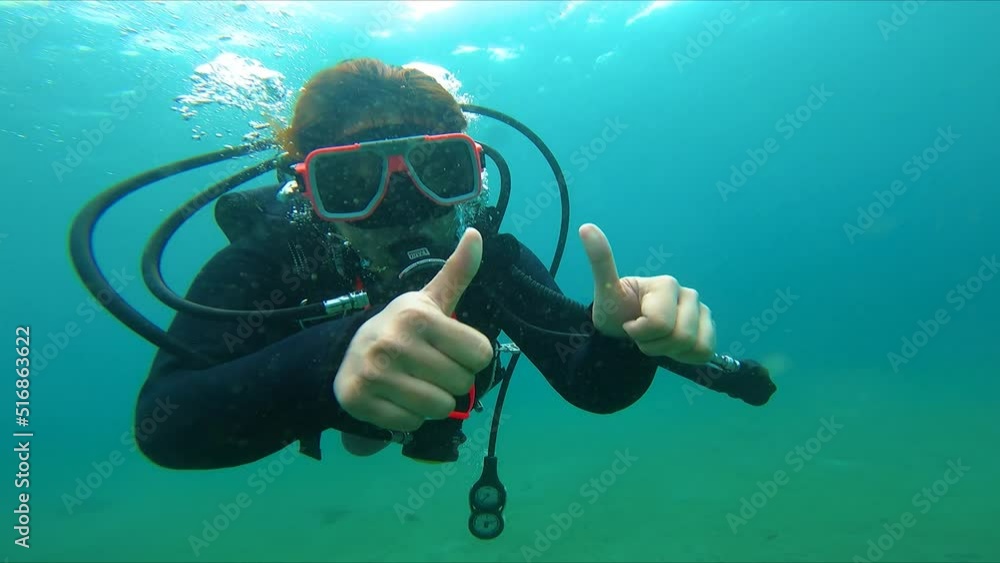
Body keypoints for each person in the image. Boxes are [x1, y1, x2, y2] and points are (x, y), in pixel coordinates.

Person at [133, 58, 775, 470]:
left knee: (400, 424)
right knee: (363, 434)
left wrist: (620, 340)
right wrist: (336, 357)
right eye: (353, 182)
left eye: (437, 171)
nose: (404, 210)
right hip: (327, 397)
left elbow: (593, 386)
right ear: (309, 195)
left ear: (472, 177)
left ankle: (399, 421)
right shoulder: (271, 262)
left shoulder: (488, 263)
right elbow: (167, 425)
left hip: (426, 400)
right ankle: (369, 420)